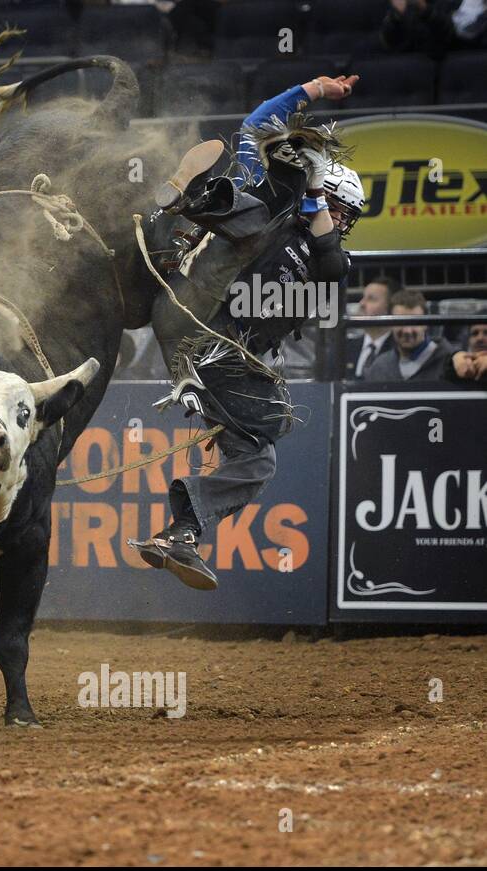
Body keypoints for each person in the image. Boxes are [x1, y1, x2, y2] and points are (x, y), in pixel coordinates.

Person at [128, 73, 365, 589]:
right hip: (200, 314)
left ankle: (182, 535)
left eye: (345, 213)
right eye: (342, 208)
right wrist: (314, 90)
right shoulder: (287, 203)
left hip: (217, 349)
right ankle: (186, 207)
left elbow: (330, 262)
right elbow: (257, 124)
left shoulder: (331, 256)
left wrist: (317, 192)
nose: (341, 219)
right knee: (262, 209)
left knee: (258, 457)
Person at [362, 290, 458, 382]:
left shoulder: (450, 362)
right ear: (390, 324)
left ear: (426, 323)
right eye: (400, 322)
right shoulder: (380, 367)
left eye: (414, 322)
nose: (407, 331)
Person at [347, 276, 399, 378]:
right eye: (363, 297)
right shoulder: (345, 348)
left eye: (371, 299)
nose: (362, 304)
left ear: (390, 307)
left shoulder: (401, 349)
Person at [443, 321, 487, 385]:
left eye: (486, 333)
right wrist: (454, 358)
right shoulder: (457, 366)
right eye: (474, 333)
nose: (480, 338)